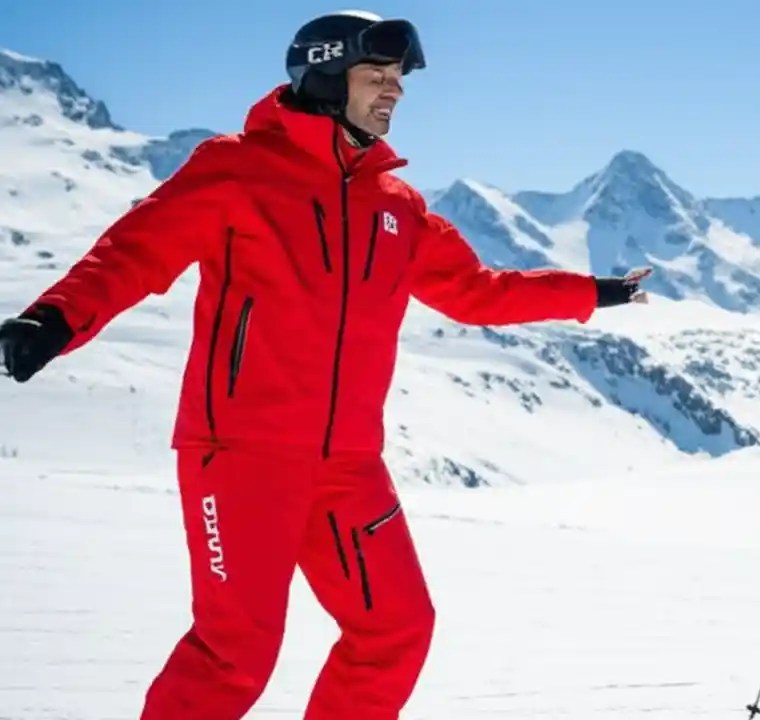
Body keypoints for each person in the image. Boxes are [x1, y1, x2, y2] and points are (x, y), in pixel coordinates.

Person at [0, 10, 651, 720]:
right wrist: (55, 319)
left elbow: (477, 292)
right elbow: (135, 252)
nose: (393, 93)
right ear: (325, 74)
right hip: (242, 453)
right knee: (234, 652)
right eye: (376, 77)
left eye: (398, 81)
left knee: (395, 629)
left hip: (348, 466)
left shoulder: (396, 204)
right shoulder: (237, 169)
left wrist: (590, 293)